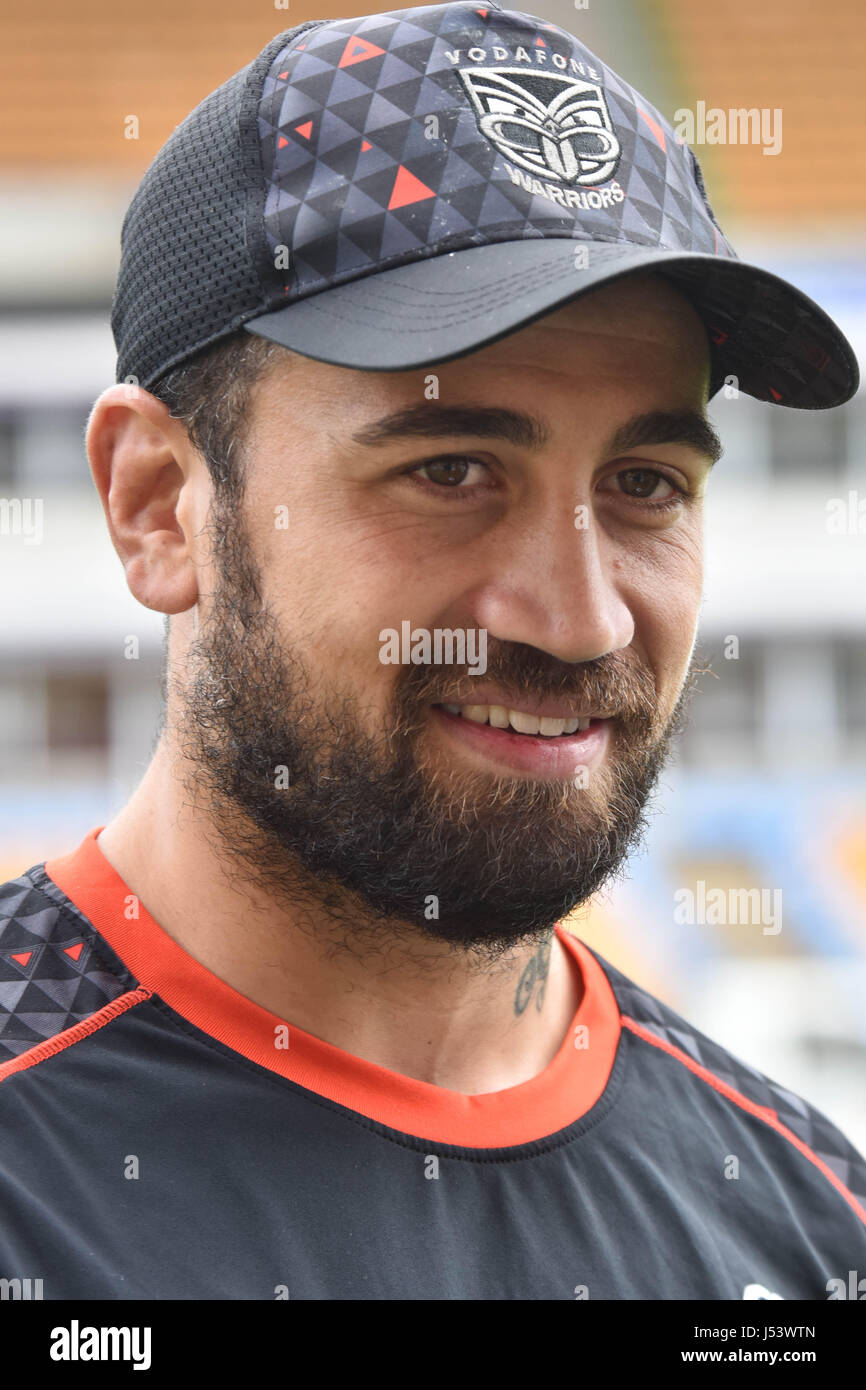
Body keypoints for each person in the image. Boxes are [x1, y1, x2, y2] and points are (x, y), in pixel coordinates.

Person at [1, 2, 863, 1300]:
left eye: (641, 481)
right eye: (450, 468)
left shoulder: (803, 1222)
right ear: (159, 503)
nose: (578, 619)